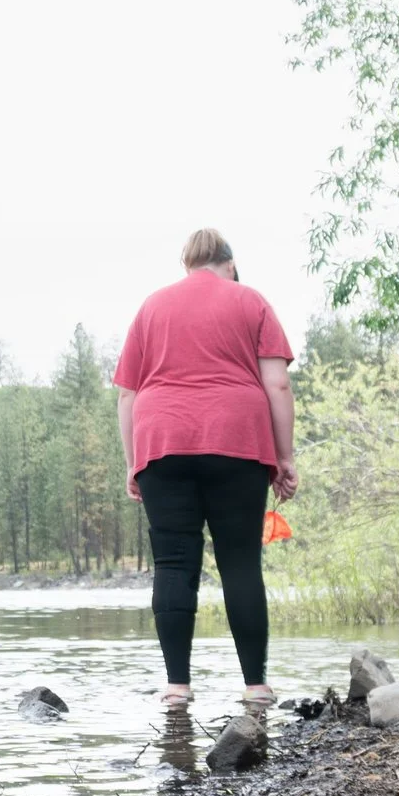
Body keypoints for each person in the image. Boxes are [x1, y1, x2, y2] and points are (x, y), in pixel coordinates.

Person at [111, 229, 297, 737]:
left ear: (188, 264)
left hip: (161, 440)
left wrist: (134, 462)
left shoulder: (152, 307)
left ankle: (176, 688)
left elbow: (127, 397)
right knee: (239, 562)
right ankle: (256, 687)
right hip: (237, 438)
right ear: (230, 264)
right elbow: (276, 381)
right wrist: (284, 458)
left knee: (173, 563)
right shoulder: (250, 300)